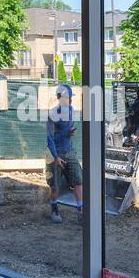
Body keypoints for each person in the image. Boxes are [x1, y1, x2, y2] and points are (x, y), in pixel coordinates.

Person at [45, 84, 82, 223]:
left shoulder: (71, 110)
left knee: (78, 181)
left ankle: (81, 211)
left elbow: (67, 130)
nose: (71, 100)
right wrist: (56, 157)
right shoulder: (51, 115)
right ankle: (54, 209)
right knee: (55, 186)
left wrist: (71, 131)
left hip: (69, 151)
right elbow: (49, 138)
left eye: (71, 98)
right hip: (55, 153)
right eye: (68, 98)